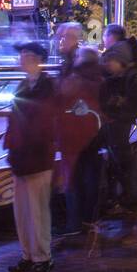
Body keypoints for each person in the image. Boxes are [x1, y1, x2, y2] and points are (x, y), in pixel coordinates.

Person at [4, 41, 57, 272]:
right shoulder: (23, 85)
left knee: (37, 209)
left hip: (36, 155)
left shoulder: (47, 87)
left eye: (25, 55)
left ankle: (42, 256)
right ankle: (28, 254)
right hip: (22, 156)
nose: (20, 59)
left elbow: (45, 123)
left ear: (35, 59)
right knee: (23, 210)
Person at [55, 43, 104, 238]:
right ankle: (89, 219)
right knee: (90, 177)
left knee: (72, 179)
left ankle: (73, 222)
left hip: (74, 134)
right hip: (95, 131)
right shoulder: (100, 78)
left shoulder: (75, 78)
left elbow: (60, 98)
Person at [101, 40, 137, 230]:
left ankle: (131, 204)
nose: (108, 64)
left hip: (124, 129)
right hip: (119, 129)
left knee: (127, 166)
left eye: (112, 60)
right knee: (123, 166)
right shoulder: (117, 79)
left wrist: (119, 104)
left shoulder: (132, 79)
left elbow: (134, 104)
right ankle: (129, 203)